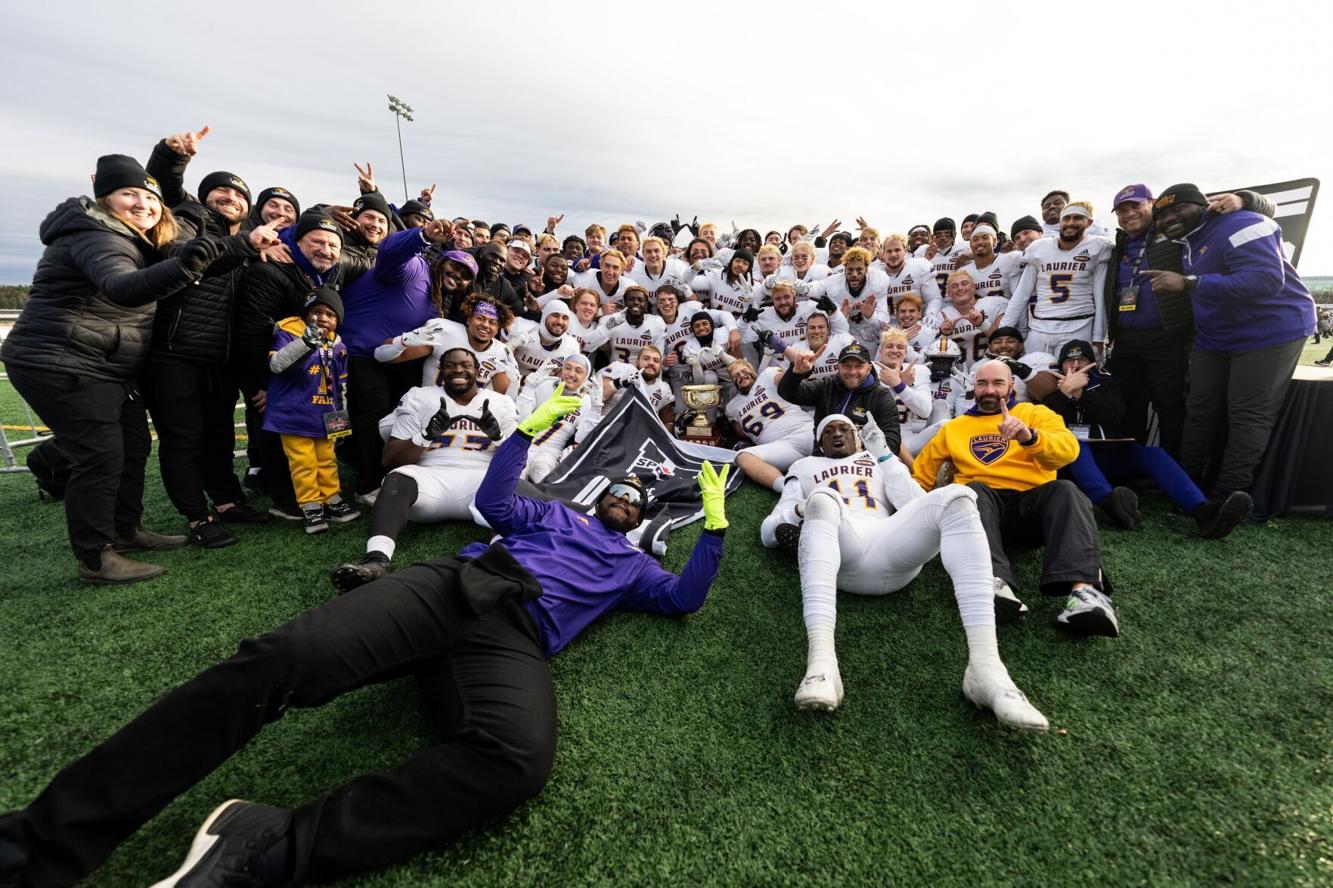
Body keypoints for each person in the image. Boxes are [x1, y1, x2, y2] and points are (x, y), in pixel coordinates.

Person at [0, 388, 731, 888]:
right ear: (598, 501)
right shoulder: (554, 516)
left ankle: (264, 846)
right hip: (452, 587)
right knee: (280, 660)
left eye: (633, 504)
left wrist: (715, 535)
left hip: (514, 640)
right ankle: (36, 843)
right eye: (618, 496)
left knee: (515, 763)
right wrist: (524, 433)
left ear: (638, 523)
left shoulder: (636, 567)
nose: (623, 504)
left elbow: (684, 600)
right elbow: (493, 499)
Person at [0, 154, 216, 583]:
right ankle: (96, 557)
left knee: (133, 445)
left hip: (104, 363)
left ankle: (125, 529)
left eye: (149, 196)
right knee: (99, 455)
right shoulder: (99, 236)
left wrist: (243, 246)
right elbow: (122, 288)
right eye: (129, 193)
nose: (143, 204)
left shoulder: (132, 239)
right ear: (104, 197)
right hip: (60, 359)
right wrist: (186, 264)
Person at [758, 415, 1047, 730]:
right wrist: (800, 514)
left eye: (845, 429)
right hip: (842, 550)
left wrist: (886, 456)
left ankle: (987, 670)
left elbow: (915, 503)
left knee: (959, 498)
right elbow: (770, 528)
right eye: (828, 431)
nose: (837, 434)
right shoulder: (805, 465)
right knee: (824, 499)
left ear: (856, 436)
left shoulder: (876, 458)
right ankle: (821, 665)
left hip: (890, 545)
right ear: (819, 442)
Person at [140, 129, 281, 547]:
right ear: (204, 197)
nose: (230, 197)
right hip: (175, 352)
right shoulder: (188, 219)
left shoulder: (251, 243)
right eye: (220, 190)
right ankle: (196, 518)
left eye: (238, 194)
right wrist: (170, 157)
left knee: (218, 435)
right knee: (182, 439)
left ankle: (225, 501)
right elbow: (167, 194)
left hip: (220, 358)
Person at [912, 360, 1118, 637]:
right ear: (974, 387)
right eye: (983, 383)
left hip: (1032, 508)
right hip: (981, 512)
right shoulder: (954, 428)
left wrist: (1029, 436)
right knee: (972, 489)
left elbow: (1068, 451)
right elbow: (921, 478)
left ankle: (1083, 594)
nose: (990, 390)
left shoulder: (1035, 413)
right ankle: (994, 584)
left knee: (1066, 490)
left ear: (1011, 386)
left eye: (998, 383)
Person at [1140, 183, 1315, 499]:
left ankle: (1227, 494)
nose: (1168, 218)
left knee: (1247, 413)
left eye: (1177, 208)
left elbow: (1267, 280)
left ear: (1205, 205)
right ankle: (1185, 485)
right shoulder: (1185, 239)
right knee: (1200, 407)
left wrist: (1190, 282)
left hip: (1270, 331)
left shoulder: (1243, 223)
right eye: (1162, 215)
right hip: (1216, 335)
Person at [1101, 184, 1277, 458]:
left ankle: (1170, 468)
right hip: (1125, 338)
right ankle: (1129, 465)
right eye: (1122, 210)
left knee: (1170, 404)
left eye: (1136, 206)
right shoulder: (1118, 243)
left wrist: (1243, 198)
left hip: (1167, 335)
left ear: (1153, 204)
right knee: (1128, 404)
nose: (1129, 214)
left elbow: (1265, 208)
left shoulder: (1175, 228)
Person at [330, 349, 517, 589]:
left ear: (477, 371)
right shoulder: (421, 397)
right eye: (450, 365)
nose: (458, 370)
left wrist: (500, 439)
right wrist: (424, 435)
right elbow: (390, 461)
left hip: (482, 484)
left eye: (465, 365)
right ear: (441, 372)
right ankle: (377, 560)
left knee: (513, 486)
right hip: (431, 479)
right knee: (396, 479)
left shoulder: (500, 402)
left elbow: (518, 462)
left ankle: (500, 558)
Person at [1035, 340, 1253, 538]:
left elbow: (1114, 416)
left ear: (1092, 364)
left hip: (1108, 456)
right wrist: (1065, 393)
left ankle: (1202, 510)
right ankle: (1110, 504)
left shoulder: (1106, 385)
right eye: (1069, 361)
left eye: (1082, 359)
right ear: (1061, 365)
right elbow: (1042, 421)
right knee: (1076, 445)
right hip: (1070, 465)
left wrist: (1082, 394)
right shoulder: (1050, 387)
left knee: (1152, 453)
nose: (1075, 365)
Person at [235, 210, 345, 513]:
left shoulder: (329, 273)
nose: (326, 249)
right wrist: (262, 385)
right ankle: (288, 499)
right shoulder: (269, 269)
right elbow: (253, 332)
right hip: (275, 378)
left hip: (314, 385)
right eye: (317, 241)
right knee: (281, 441)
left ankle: (326, 495)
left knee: (321, 449)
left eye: (333, 245)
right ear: (296, 242)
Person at [340, 220, 456, 503]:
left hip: (396, 361)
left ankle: (373, 468)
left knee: (402, 413)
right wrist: (424, 236)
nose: (459, 276)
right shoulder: (415, 268)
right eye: (455, 268)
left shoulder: (436, 297)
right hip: (363, 354)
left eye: (466, 275)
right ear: (438, 262)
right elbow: (390, 252)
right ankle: (366, 486)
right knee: (374, 415)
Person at [263, 288, 359, 535]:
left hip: (325, 413)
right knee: (303, 462)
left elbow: (341, 385)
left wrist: (341, 421)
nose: (324, 318)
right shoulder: (289, 331)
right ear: (306, 313)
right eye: (317, 312)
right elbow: (276, 364)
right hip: (294, 412)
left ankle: (331, 498)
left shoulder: (338, 344)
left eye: (330, 314)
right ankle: (310, 505)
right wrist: (305, 342)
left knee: (327, 459)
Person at [1003, 202, 1113, 357]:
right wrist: (1004, 329)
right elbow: (1021, 295)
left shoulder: (1098, 246)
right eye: (1066, 218)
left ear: (1089, 222)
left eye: (1078, 218)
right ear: (1060, 222)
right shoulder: (1039, 249)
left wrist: (1098, 337)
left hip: (1079, 325)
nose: (1071, 222)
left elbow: (1100, 295)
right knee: (1034, 376)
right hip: (1040, 327)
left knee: (1075, 376)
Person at [778, 342, 902, 456]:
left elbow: (893, 443)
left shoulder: (881, 395)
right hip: (822, 460)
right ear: (838, 367)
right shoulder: (826, 385)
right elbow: (787, 393)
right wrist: (797, 373)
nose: (852, 371)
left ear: (869, 368)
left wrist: (856, 455)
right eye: (846, 366)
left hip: (863, 465)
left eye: (859, 366)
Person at [378, 295, 517, 396]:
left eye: (492, 322)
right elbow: (385, 357)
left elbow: (505, 399)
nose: (485, 325)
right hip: (427, 408)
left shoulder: (501, 352)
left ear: (498, 328)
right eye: (480, 318)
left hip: (464, 419)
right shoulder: (445, 331)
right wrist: (401, 342)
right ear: (468, 319)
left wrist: (516, 382)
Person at [727, 359, 813, 492]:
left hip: (805, 431)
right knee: (742, 457)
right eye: (735, 376)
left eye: (744, 371)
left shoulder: (767, 376)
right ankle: (788, 489)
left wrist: (796, 371)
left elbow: (787, 381)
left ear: (753, 371)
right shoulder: (732, 407)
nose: (741, 376)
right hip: (782, 448)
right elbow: (741, 433)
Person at [513, 356, 601, 482]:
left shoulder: (586, 401)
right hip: (525, 443)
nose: (571, 374)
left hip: (550, 454)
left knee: (545, 483)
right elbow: (521, 419)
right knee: (512, 478)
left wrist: (595, 409)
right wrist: (530, 387)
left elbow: (580, 439)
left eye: (578, 371)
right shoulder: (545, 385)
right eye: (568, 368)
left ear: (586, 377)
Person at [936, 270, 1009, 371]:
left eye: (964, 283)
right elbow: (935, 354)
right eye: (954, 286)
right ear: (949, 293)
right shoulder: (941, 316)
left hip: (990, 369)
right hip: (957, 374)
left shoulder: (994, 304)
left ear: (973, 287)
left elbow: (1004, 343)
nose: (960, 288)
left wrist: (982, 323)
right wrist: (945, 335)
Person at [599, 345, 674, 425]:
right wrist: (620, 382)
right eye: (646, 358)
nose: (651, 363)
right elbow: (599, 394)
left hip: (637, 434)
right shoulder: (621, 368)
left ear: (660, 366)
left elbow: (667, 422)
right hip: (608, 428)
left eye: (656, 361)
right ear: (637, 362)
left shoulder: (663, 388)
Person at [509, 299, 582, 377]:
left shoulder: (572, 346)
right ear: (545, 317)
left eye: (565, 318)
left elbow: (562, 379)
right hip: (512, 382)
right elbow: (499, 357)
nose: (560, 322)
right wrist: (511, 345)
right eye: (555, 315)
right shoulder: (522, 329)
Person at [600, 285, 666, 364]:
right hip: (616, 373)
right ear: (625, 302)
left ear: (646, 304)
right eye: (631, 299)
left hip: (643, 374)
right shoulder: (613, 320)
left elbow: (658, 358)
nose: (636, 302)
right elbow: (597, 346)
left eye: (640, 300)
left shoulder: (656, 323)